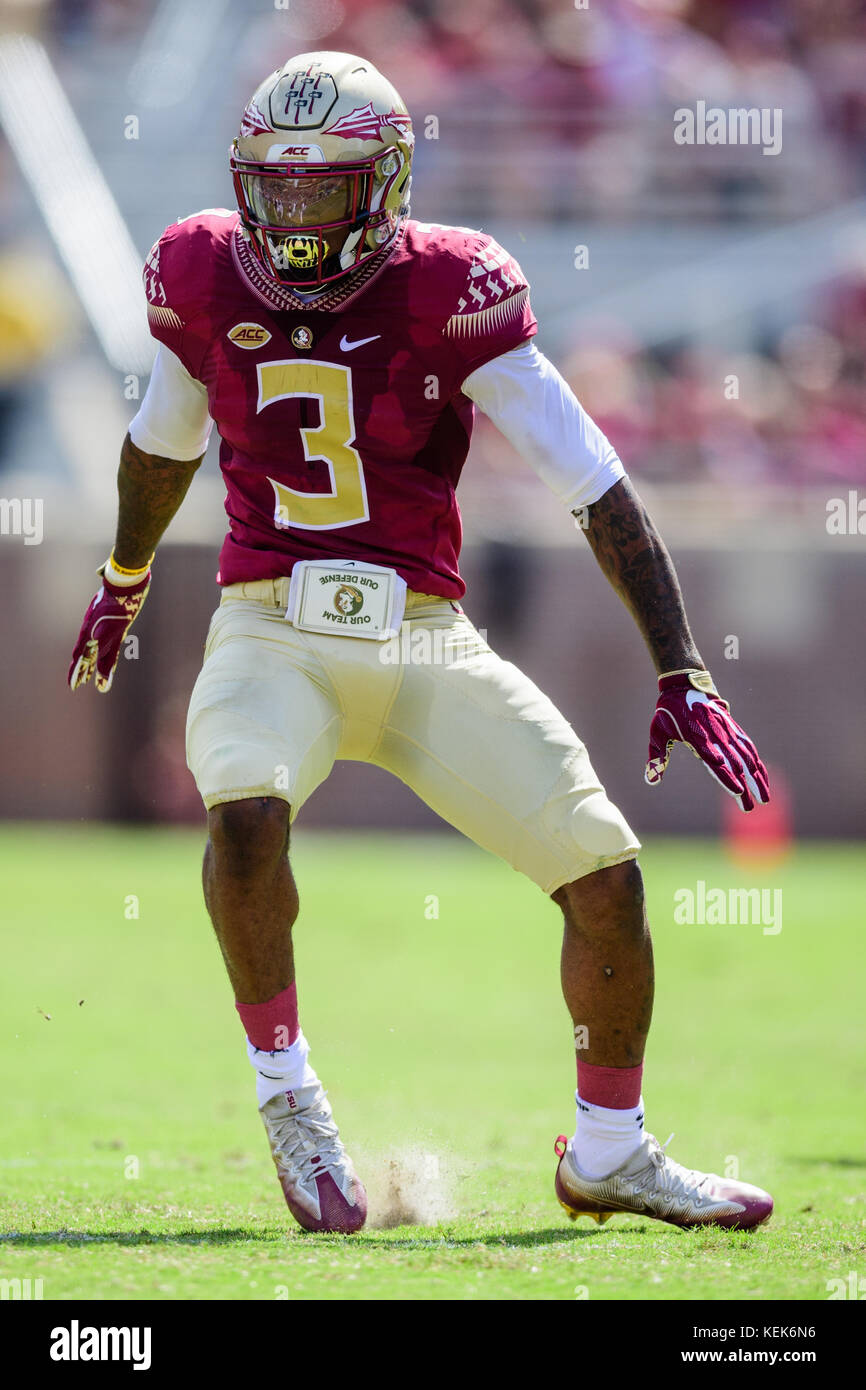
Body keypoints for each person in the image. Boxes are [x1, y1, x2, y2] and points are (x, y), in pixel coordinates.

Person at [69, 51, 773, 1234]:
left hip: (425, 639)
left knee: (603, 869)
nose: (290, 219)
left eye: (321, 191)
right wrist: (123, 573)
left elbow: (591, 482)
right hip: (269, 626)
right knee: (243, 809)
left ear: (386, 184)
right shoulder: (198, 269)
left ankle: (609, 1149)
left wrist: (680, 662)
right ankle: (289, 1093)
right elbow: (161, 437)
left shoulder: (454, 286)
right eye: (273, 189)